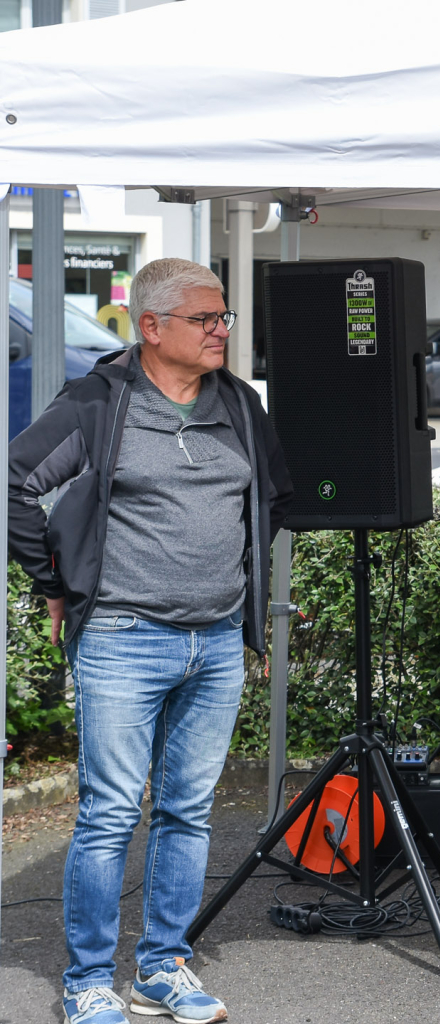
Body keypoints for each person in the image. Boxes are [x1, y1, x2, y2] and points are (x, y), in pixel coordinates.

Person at [8, 258, 293, 1024]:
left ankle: (162, 969)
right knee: (109, 813)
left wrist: (247, 607)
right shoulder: (99, 403)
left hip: (215, 643)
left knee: (188, 811)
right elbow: (16, 482)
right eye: (206, 319)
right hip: (124, 638)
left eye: (224, 317)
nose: (221, 330)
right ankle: (87, 981)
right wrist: (55, 582)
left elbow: (272, 501)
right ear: (153, 326)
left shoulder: (238, 404)